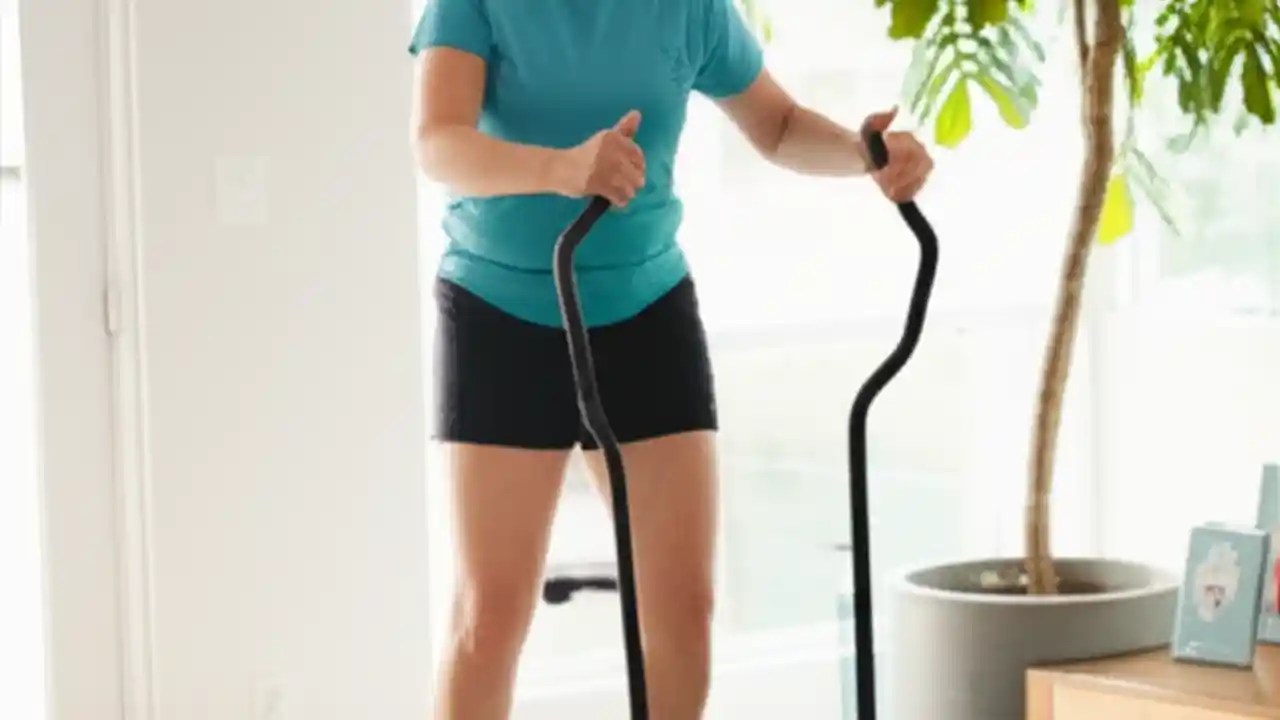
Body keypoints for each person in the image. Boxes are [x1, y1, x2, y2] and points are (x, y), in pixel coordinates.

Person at [408, 0, 933, 717]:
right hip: (501, 315)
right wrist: (562, 168)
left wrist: (863, 154)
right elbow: (438, 142)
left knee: (683, 607)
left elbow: (778, 125)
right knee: (489, 615)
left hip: (645, 312)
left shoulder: (689, 9)